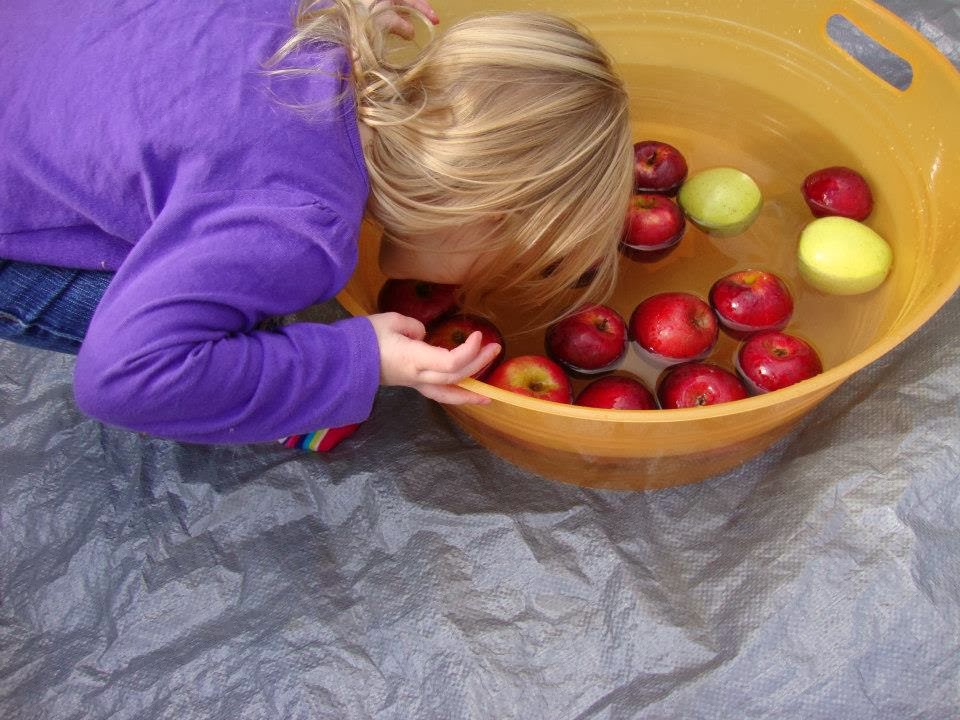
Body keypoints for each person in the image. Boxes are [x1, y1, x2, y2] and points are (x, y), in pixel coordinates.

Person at [0, 0, 633, 448]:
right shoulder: (299, 232)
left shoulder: (305, 21)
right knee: (229, 328)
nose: (475, 287)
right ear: (482, 218)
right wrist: (353, 361)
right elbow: (123, 380)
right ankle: (271, 393)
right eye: (517, 260)